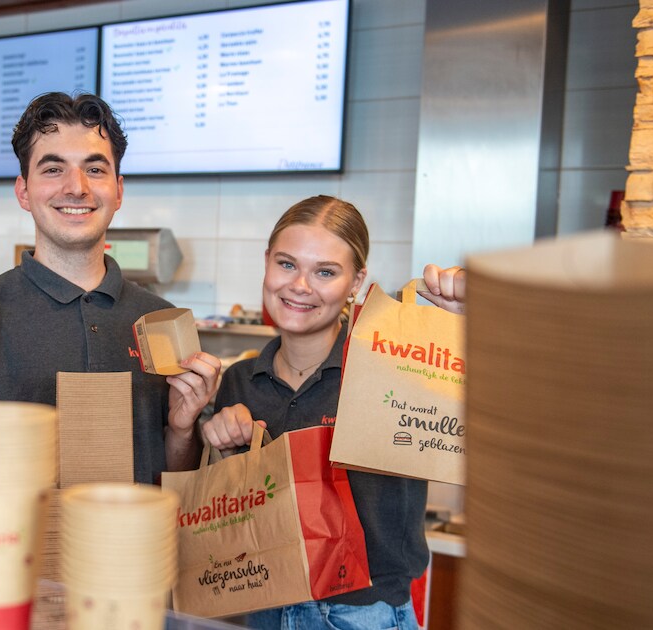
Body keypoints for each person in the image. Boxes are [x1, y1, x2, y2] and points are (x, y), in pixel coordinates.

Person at [198, 195, 465, 630]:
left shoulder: (394, 367)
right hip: (263, 605)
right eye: (286, 264)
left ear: (356, 281)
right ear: (266, 263)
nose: (300, 285)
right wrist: (220, 446)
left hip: (364, 615)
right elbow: (233, 514)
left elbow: (477, 422)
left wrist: (461, 333)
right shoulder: (241, 381)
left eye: (325, 271)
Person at [0, 92, 220, 483]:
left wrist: (180, 429)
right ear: (23, 191)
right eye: (53, 169)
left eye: (94, 169)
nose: (76, 187)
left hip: (135, 543)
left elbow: (178, 484)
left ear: (118, 190)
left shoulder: (161, 320)